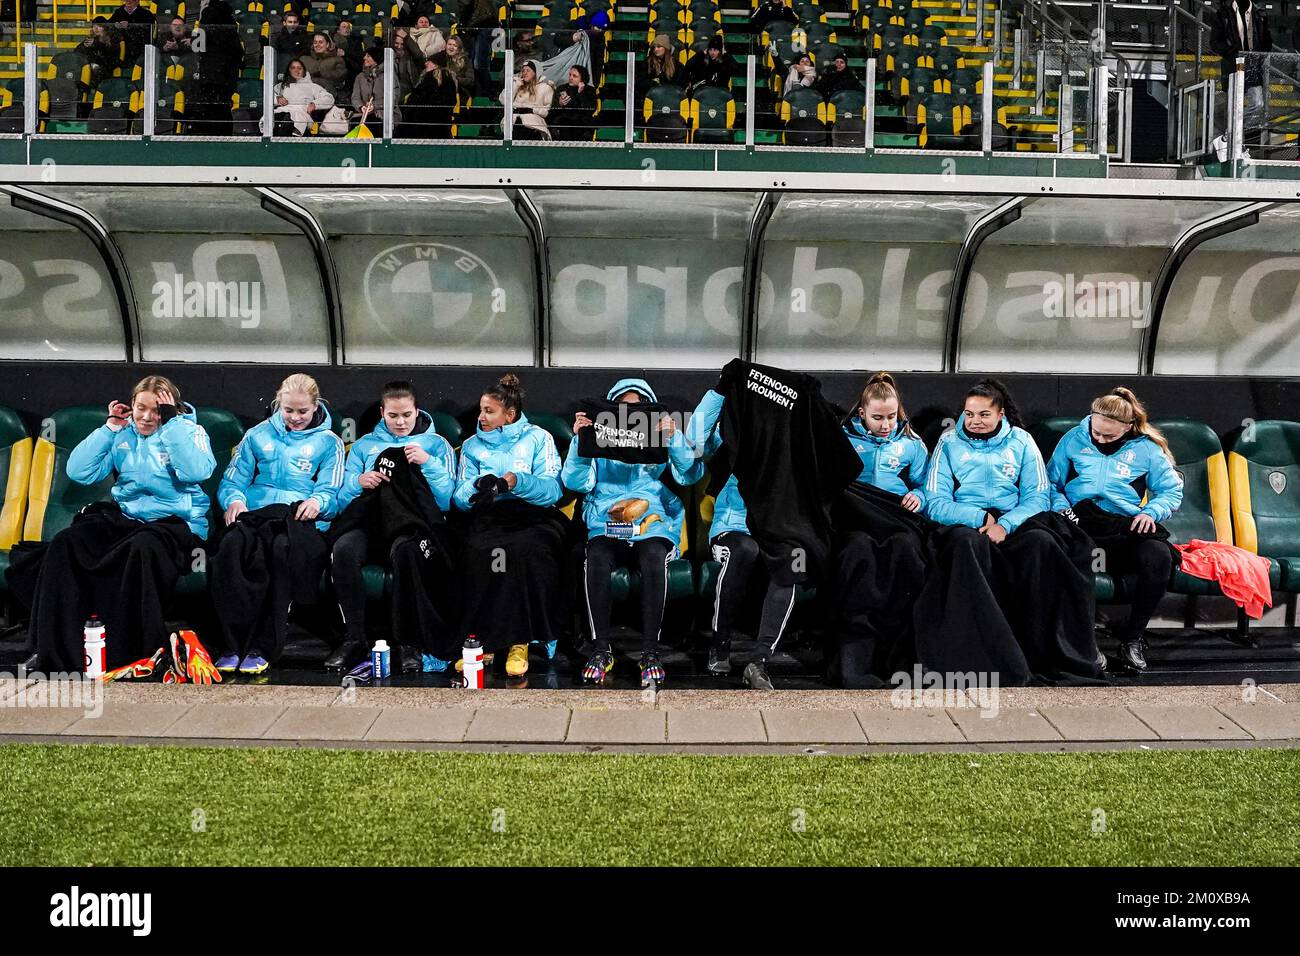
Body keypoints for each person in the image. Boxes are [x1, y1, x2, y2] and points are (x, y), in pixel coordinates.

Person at [11, 376, 216, 673]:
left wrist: (171, 425)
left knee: (140, 548)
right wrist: (109, 429)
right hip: (127, 518)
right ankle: (51, 651)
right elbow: (80, 472)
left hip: (176, 523)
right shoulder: (123, 434)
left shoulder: (189, 431)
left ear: (171, 409)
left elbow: (195, 471)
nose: (146, 417)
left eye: (157, 410)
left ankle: (137, 654)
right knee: (67, 543)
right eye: (140, 408)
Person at [921, 379, 1103, 685]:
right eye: (968, 414)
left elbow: (1038, 497)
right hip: (966, 522)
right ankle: (983, 656)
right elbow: (935, 501)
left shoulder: (1021, 441)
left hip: (1014, 522)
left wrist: (1005, 524)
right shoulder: (949, 442)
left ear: (1001, 414)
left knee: (1042, 544)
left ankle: (1040, 653)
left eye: (983, 415)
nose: (974, 421)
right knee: (968, 546)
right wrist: (980, 517)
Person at [563, 378, 701, 687]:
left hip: (651, 519)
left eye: (637, 409)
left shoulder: (661, 432)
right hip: (606, 519)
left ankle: (650, 654)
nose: (630, 414)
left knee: (654, 557)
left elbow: (690, 475)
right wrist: (580, 442)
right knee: (596, 556)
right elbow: (575, 483)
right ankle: (601, 652)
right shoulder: (598, 436)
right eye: (623, 408)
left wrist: (674, 438)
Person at [212, 373, 344, 675]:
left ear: (316, 407)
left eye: (302, 411)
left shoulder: (330, 442)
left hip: (297, 521)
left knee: (280, 550)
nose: (295, 418)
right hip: (256, 515)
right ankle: (233, 645)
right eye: (288, 410)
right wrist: (234, 501)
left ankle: (262, 646)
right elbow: (233, 481)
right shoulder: (257, 435)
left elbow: (332, 492)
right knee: (231, 548)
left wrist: (317, 503)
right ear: (278, 404)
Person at [1048, 387, 1184, 673]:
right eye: (1096, 432)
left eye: (1109, 436)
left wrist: (1150, 512)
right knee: (1069, 555)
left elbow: (1171, 492)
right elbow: (1051, 484)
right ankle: (1084, 642)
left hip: (1124, 525)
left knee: (1159, 556)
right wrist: (1062, 509)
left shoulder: (1147, 449)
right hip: (1080, 521)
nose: (1100, 439)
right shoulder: (1073, 438)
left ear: (1128, 426)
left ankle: (1132, 638)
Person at [326, 380, 457, 674]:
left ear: (417, 411)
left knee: (407, 553)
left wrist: (428, 464)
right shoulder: (363, 447)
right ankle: (354, 638)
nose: (400, 423)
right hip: (370, 523)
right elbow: (340, 501)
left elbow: (448, 501)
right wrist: (359, 483)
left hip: (411, 524)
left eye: (407, 415)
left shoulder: (437, 445)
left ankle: (407, 641)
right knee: (344, 550)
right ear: (383, 412)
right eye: (393, 416)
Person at [452, 374, 567, 678]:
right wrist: (478, 485)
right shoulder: (471, 446)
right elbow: (459, 498)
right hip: (490, 517)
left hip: (533, 515)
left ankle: (520, 640)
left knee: (522, 553)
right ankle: (486, 639)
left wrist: (517, 482)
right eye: (481, 410)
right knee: (482, 553)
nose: (481, 417)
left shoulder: (539, 438)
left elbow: (553, 490)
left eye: (489, 411)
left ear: (509, 415)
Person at [823, 373, 932, 688]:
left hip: (895, 517)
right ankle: (853, 661)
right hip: (856, 520)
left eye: (891, 417)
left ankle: (898, 658)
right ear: (862, 413)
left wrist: (919, 496)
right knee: (857, 553)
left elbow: (926, 485)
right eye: (877, 418)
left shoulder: (912, 443)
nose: (886, 424)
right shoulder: (842, 440)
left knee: (907, 550)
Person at [1212, 0, 1273, 149]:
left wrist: (1260, 56)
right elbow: (1215, 42)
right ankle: (1236, 146)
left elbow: (1267, 40)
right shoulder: (1223, 13)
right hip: (1234, 65)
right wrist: (1231, 52)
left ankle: (1229, 133)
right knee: (1234, 106)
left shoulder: (1260, 14)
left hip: (1253, 66)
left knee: (1258, 104)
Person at [187, 0, 244, 136]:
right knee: (223, 107)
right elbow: (238, 51)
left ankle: (207, 137)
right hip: (226, 75)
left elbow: (197, 44)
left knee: (209, 107)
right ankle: (225, 137)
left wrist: (201, 12)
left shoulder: (208, 13)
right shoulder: (230, 19)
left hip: (210, 73)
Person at [401, 52, 458, 138]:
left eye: (429, 61)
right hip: (442, 128)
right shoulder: (449, 81)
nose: (425, 63)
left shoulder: (429, 80)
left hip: (423, 128)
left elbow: (416, 100)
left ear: (436, 65)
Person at [273, 57, 335, 135]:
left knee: (289, 118)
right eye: (293, 68)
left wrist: (314, 104)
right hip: (280, 114)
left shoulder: (311, 86)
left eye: (299, 68)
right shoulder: (281, 86)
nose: (296, 70)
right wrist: (277, 99)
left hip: (301, 118)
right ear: (289, 70)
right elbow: (268, 96)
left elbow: (329, 98)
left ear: (304, 71)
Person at [352, 45, 401, 134]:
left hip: (384, 116)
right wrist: (360, 106)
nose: (364, 58)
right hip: (364, 115)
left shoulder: (389, 76)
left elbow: (394, 98)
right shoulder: (360, 77)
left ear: (376, 58)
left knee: (375, 125)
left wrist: (374, 105)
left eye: (368, 56)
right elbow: (355, 97)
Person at [500, 59, 553, 139]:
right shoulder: (517, 85)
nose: (524, 73)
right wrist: (515, 86)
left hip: (533, 125)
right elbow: (503, 101)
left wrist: (532, 110)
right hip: (512, 123)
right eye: (523, 70)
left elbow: (548, 111)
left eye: (528, 70)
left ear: (536, 73)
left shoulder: (545, 87)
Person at [457, 0, 499, 94]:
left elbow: (466, 6)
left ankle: (489, 90)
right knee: (473, 62)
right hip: (479, 26)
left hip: (483, 25)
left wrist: (461, 23)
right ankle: (480, 90)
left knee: (478, 63)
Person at [547, 64, 597, 140]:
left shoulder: (590, 90)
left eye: (574, 76)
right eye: (570, 75)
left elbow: (590, 110)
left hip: (581, 122)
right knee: (564, 123)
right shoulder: (561, 88)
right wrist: (559, 104)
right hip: (563, 121)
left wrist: (581, 94)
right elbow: (552, 112)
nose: (571, 78)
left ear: (582, 79)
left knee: (580, 125)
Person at [108, 0, 157, 66]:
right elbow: (107, 26)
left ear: (137, 1)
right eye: (127, 0)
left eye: (131, 0)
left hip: (139, 48)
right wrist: (115, 25)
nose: (128, 2)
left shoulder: (146, 14)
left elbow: (149, 31)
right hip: (120, 48)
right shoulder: (119, 12)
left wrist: (130, 26)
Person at [302, 32, 350, 99]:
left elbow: (341, 77)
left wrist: (321, 74)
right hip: (305, 97)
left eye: (321, 42)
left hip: (327, 97)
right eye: (315, 42)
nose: (317, 45)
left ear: (327, 44)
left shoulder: (337, 60)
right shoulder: (304, 59)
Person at [635, 33, 680, 102]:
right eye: (654, 47)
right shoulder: (648, 63)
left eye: (659, 47)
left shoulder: (675, 64)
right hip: (650, 98)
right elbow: (640, 81)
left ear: (666, 48)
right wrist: (654, 83)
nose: (655, 49)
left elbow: (680, 82)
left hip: (670, 98)